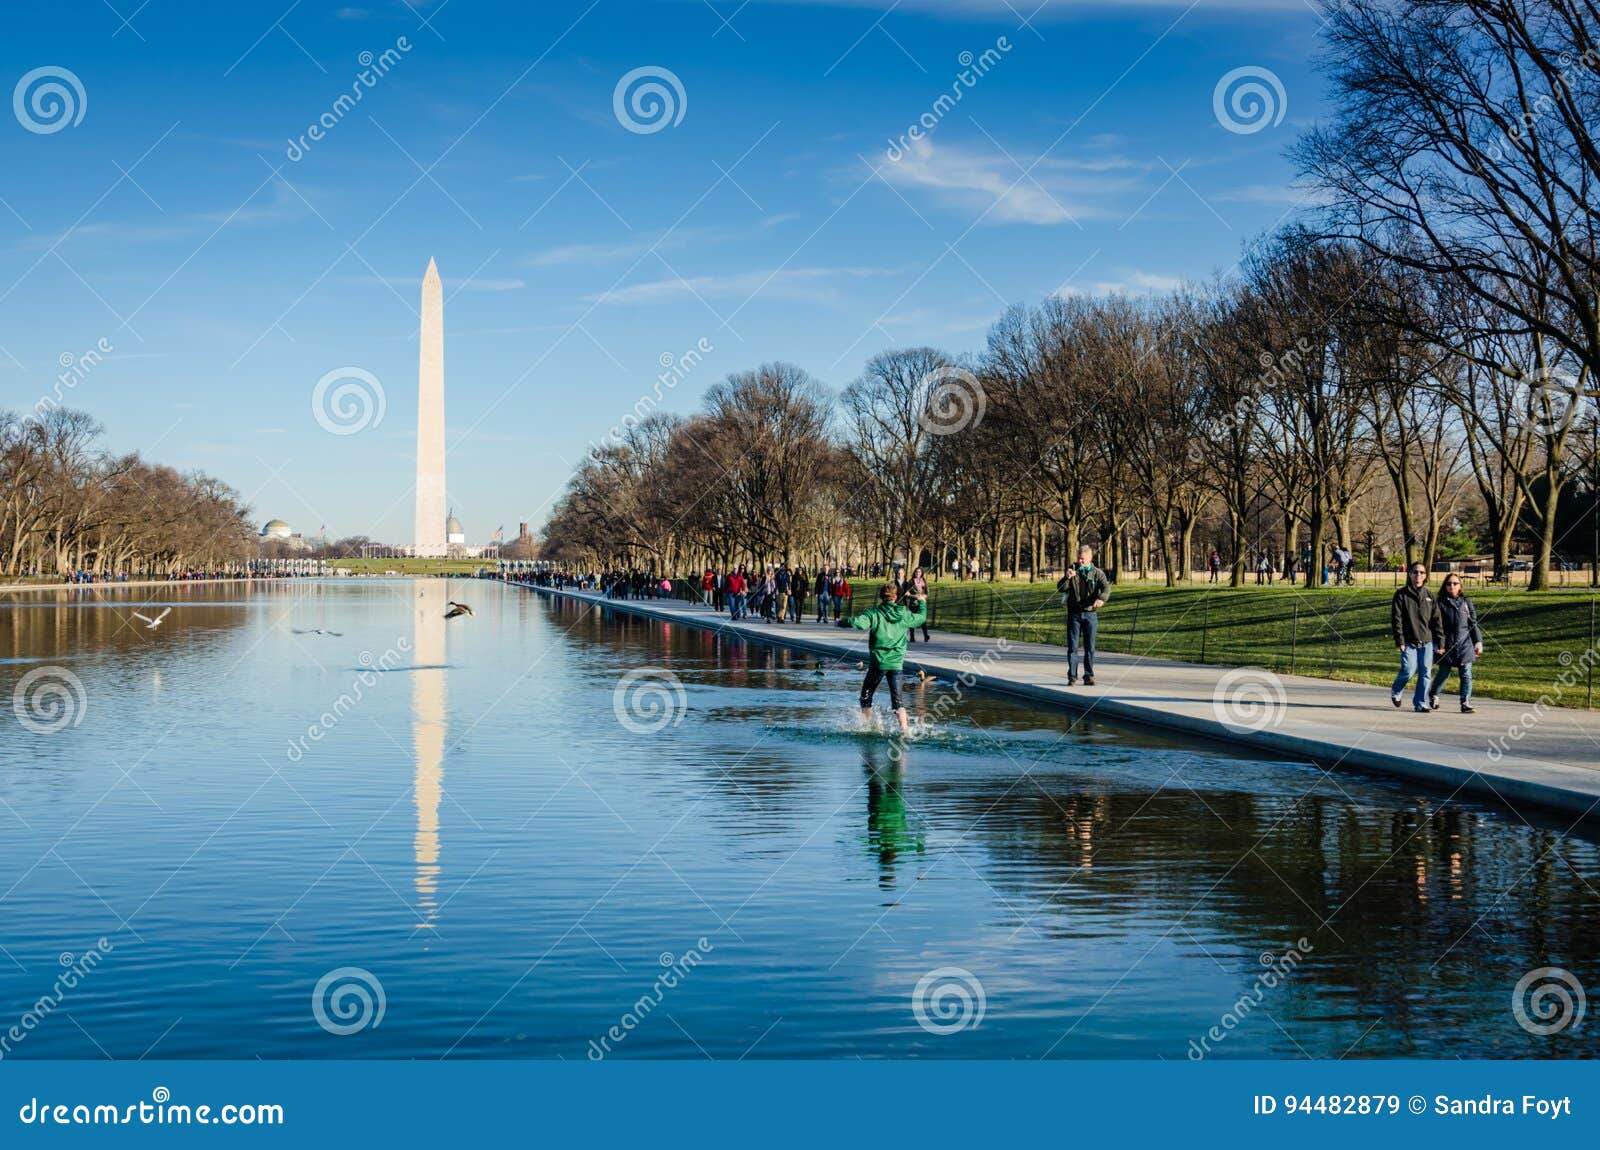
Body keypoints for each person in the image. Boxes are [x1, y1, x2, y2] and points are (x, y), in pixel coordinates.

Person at [839, 582, 928, 734]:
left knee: (866, 697)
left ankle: (867, 727)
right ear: (896, 597)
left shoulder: (874, 613)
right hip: (896, 664)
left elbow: (858, 623)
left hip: (878, 663)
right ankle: (905, 731)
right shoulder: (904, 614)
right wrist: (922, 603)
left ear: (881, 597)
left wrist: (843, 622)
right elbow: (920, 618)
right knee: (898, 701)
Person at [1390, 561, 1444, 712]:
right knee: (1408, 669)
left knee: (1426, 673)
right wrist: (1399, 640)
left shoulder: (1429, 596)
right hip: (1408, 641)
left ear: (1425, 576)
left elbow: (1436, 620)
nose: (1418, 575)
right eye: (1415, 572)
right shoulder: (1401, 594)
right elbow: (1397, 619)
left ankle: (1420, 703)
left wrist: (1440, 642)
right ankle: (1396, 690)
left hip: (1426, 642)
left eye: (1421, 572)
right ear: (1409, 574)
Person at [1429, 573, 1483, 713]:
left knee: (1466, 674)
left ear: (1460, 586)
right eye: (1449, 583)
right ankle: (1433, 694)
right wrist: (1436, 644)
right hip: (1445, 645)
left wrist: (1478, 641)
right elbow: (1434, 625)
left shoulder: (1466, 602)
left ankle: (1465, 702)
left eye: (1455, 583)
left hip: (1465, 644)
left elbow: (1473, 623)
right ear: (1444, 586)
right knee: (1443, 673)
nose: (1452, 586)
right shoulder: (1439, 602)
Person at [1056, 545, 1109, 686]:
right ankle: (1072, 677)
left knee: (1090, 647)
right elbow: (1060, 588)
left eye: (1083, 559)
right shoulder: (1072, 570)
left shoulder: (1097, 573)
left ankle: (1089, 676)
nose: (1080, 561)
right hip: (1074, 614)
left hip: (1090, 614)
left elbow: (1106, 587)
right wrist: (1067, 578)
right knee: (1073, 647)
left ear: (1090, 558)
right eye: (1079, 558)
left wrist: (1101, 599)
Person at [902, 566, 931, 642]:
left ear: (921, 573)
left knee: (923, 620)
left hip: (922, 603)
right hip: (913, 604)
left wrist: (924, 596)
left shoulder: (924, 580)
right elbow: (907, 594)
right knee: (912, 620)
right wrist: (914, 596)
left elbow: (927, 592)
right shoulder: (911, 581)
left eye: (919, 572)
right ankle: (912, 636)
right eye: (916, 572)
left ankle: (926, 636)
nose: (918, 573)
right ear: (914, 573)